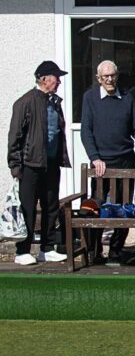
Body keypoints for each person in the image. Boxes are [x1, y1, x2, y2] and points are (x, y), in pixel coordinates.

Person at [79, 59, 135, 265]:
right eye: (105, 77)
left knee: (124, 209)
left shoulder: (127, 98)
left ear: (117, 76)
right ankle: (95, 252)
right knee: (96, 207)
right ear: (99, 79)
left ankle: (116, 250)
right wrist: (95, 158)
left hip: (125, 161)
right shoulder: (90, 98)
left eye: (113, 76)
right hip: (101, 164)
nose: (110, 79)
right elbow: (86, 132)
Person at [7, 60, 71, 265]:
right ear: (44, 79)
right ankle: (22, 251)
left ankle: (47, 248)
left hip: (50, 164)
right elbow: (14, 136)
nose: (59, 81)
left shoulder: (54, 102)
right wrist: (15, 166)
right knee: (28, 208)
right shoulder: (25, 102)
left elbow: (57, 133)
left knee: (51, 206)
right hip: (30, 165)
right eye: (56, 77)